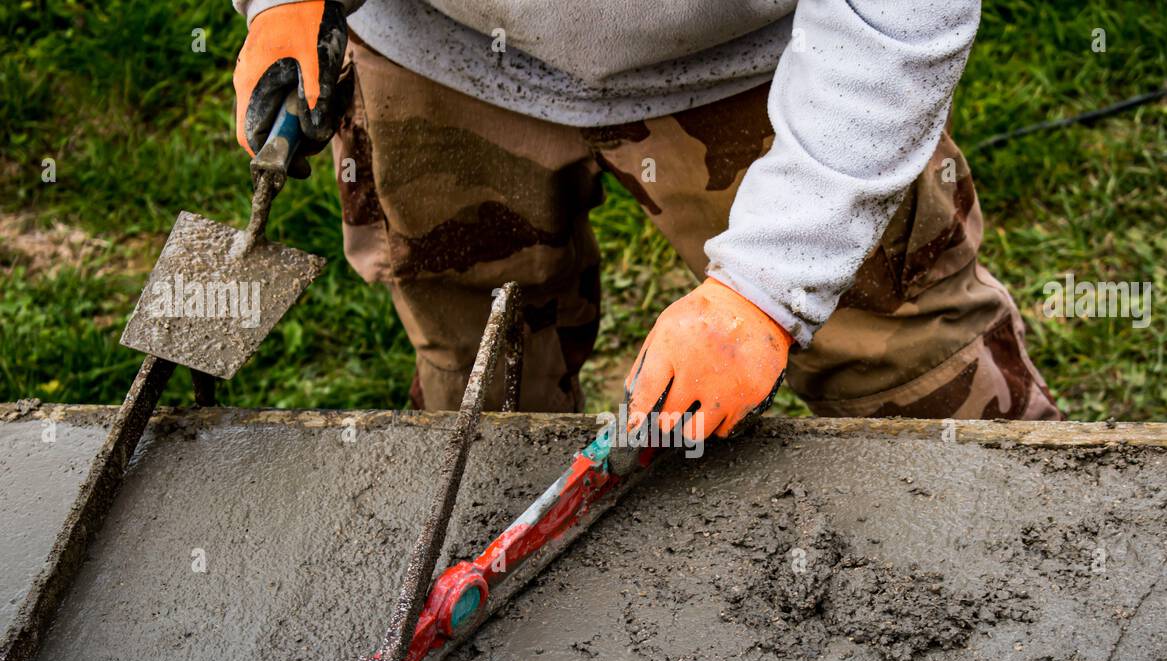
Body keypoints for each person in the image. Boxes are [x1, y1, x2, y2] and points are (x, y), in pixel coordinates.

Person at [232, 0, 1061, 447]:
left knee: (909, 365)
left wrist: (770, 289)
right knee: (483, 375)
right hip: (431, 49)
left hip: (762, 58)